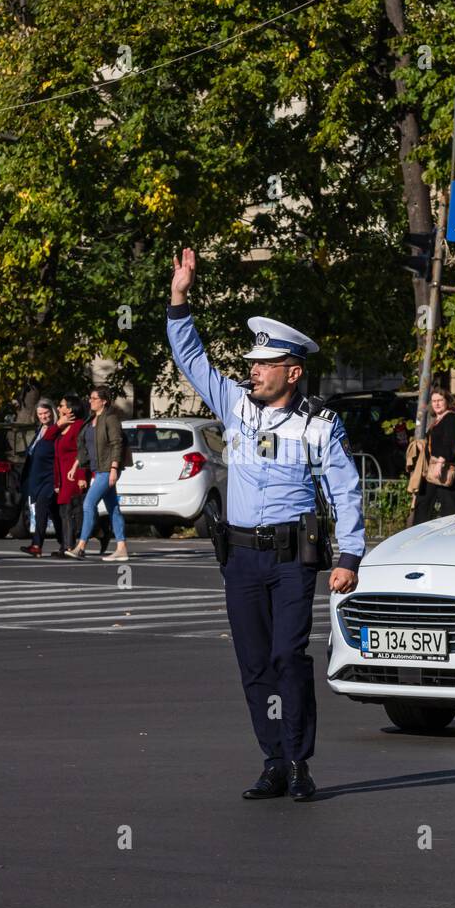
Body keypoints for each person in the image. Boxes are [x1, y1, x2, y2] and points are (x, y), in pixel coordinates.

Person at [167, 247, 365, 802]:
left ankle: (300, 760)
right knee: (253, 663)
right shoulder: (236, 405)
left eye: (263, 363)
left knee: (287, 657)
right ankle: (273, 759)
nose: (251, 370)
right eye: (252, 363)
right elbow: (191, 358)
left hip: (288, 559)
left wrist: (349, 557)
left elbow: (345, 490)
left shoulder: (321, 424)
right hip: (241, 558)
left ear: (292, 371)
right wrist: (180, 296)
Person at [65, 386, 130, 562]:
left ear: (104, 401)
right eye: (90, 398)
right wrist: (74, 466)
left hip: (107, 470)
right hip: (97, 469)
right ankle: (121, 547)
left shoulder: (110, 418)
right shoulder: (91, 420)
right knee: (113, 509)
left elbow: (117, 443)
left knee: (88, 504)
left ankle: (81, 546)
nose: (90, 401)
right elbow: (85, 448)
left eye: (94, 398)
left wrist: (115, 469)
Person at [409, 386, 455, 524]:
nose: (437, 404)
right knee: (423, 501)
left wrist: (440, 464)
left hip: (444, 467)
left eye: (440, 400)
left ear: (447, 401)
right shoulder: (437, 420)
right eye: (434, 401)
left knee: (450, 505)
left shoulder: (451, 418)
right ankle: (420, 533)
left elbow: (450, 442)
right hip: (432, 468)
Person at [20, 400, 63, 557]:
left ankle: (37, 545)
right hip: (37, 478)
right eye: (40, 414)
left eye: (46, 413)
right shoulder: (40, 430)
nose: (44, 416)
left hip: (50, 477)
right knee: (53, 512)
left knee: (41, 510)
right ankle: (65, 543)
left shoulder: (57, 430)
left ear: (52, 412)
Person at [53, 394, 89, 556]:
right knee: (63, 511)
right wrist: (58, 425)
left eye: (62, 405)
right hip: (62, 476)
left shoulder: (79, 425)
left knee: (69, 510)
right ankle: (66, 545)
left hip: (73, 475)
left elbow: (83, 451)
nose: (59, 408)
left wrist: (81, 475)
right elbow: (47, 439)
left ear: (71, 408)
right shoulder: (61, 426)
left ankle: (70, 546)